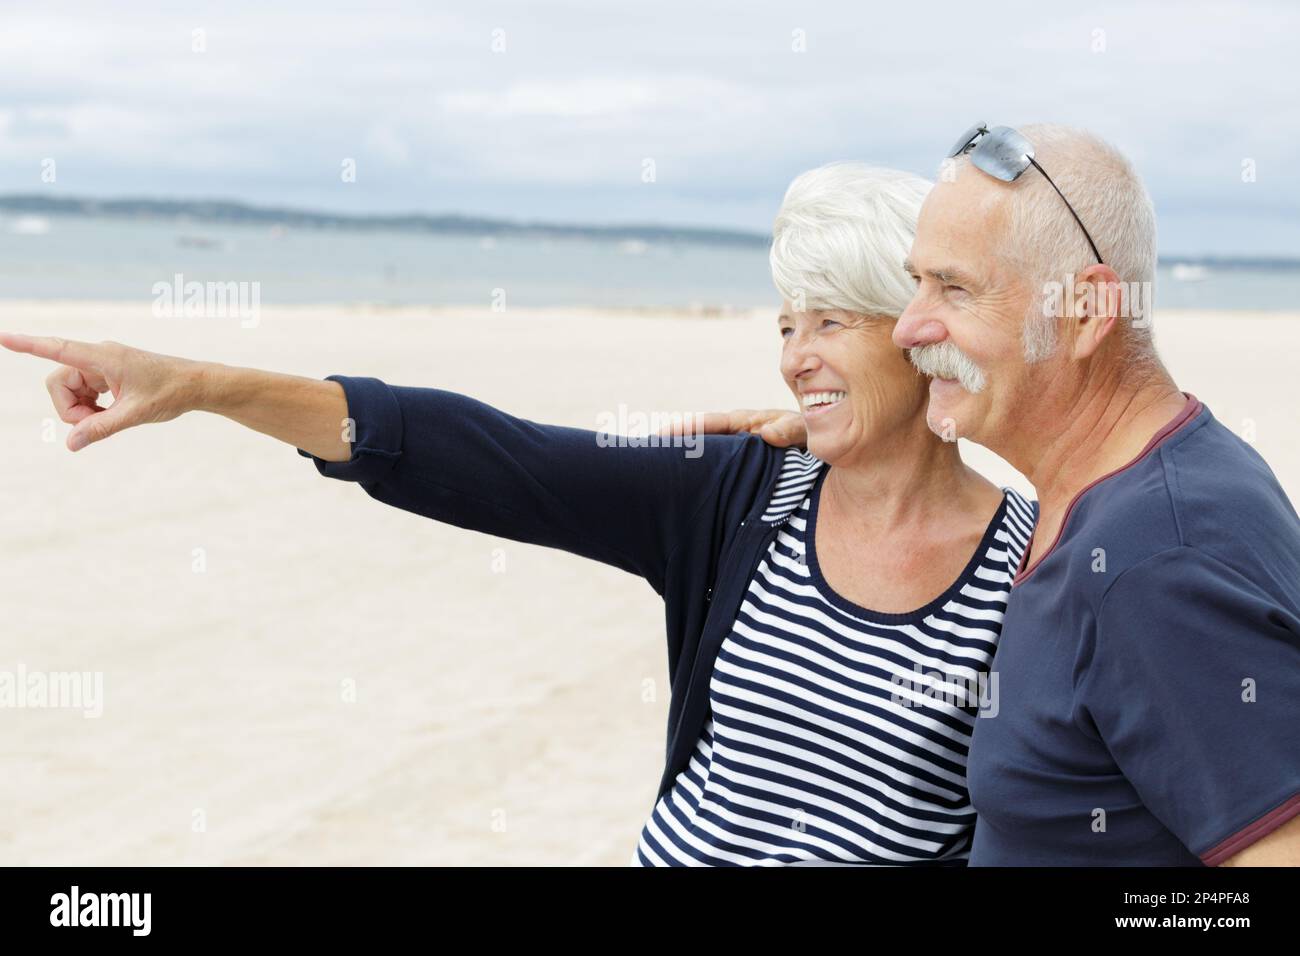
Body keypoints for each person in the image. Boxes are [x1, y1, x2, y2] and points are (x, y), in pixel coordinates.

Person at [1, 163, 1035, 866]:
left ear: (918, 333)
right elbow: (487, 454)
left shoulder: (1031, 563)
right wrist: (198, 382)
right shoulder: (737, 494)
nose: (795, 352)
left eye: (831, 320)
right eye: (784, 322)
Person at [701, 125, 1300, 866]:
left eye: (954, 288)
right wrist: (847, 430)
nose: (913, 329)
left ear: (1085, 312)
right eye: (916, 282)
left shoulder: (1158, 559)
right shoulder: (1133, 488)